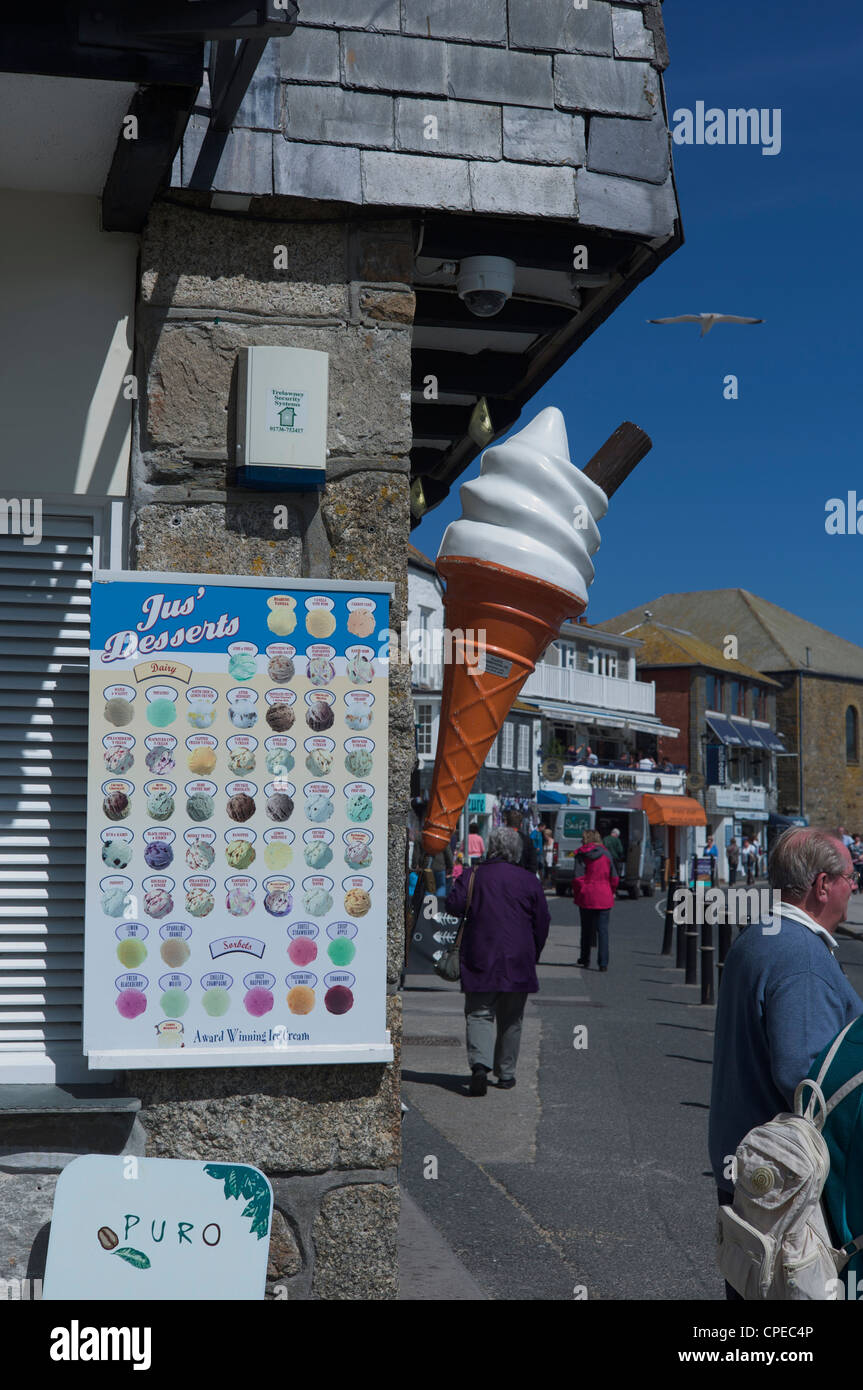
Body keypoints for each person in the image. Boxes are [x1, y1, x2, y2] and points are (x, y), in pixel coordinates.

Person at [708, 828, 863, 1299]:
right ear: (822, 885)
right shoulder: (801, 958)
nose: (854, 887)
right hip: (789, 1183)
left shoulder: (762, 936)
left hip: (754, 1165)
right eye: (849, 877)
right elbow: (808, 1081)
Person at [445, 826, 550, 1096]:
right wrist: (533, 952)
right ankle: (506, 1073)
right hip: (518, 958)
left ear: (491, 847)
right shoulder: (528, 880)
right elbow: (542, 922)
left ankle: (480, 1065)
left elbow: (453, 905)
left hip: (481, 954)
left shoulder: (474, 875)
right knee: (511, 1019)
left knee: (479, 1013)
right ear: (516, 851)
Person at [572, 829, 619, 972]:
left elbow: (578, 877)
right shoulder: (606, 854)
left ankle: (585, 957)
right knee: (603, 930)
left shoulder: (581, 854)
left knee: (586, 928)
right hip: (604, 893)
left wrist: (579, 891)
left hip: (587, 893)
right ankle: (603, 962)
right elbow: (614, 877)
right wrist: (612, 890)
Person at [504, 808, 538, 874]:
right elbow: (533, 865)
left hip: (503, 878)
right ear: (521, 824)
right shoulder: (527, 841)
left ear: (506, 823)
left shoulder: (498, 839)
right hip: (522, 878)